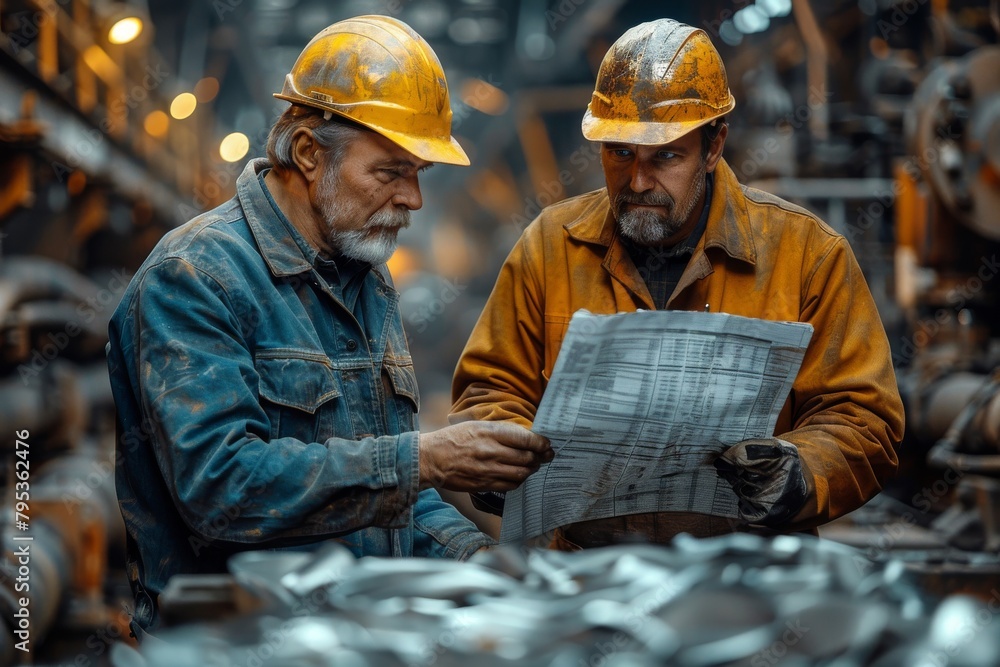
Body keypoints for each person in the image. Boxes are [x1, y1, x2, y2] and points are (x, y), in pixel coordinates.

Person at [107, 15, 551, 635]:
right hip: (235, 644)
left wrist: (482, 563)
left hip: (359, 636)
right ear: (311, 154)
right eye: (390, 171)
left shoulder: (367, 278)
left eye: (417, 174)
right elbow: (221, 490)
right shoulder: (196, 278)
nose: (412, 199)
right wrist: (424, 460)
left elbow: (397, 497)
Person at [450, 18, 904, 548]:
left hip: (753, 580)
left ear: (714, 148)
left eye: (665, 156)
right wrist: (503, 456)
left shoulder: (807, 255)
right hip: (593, 578)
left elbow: (864, 419)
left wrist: (803, 471)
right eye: (620, 153)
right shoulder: (551, 246)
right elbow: (489, 390)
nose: (638, 181)